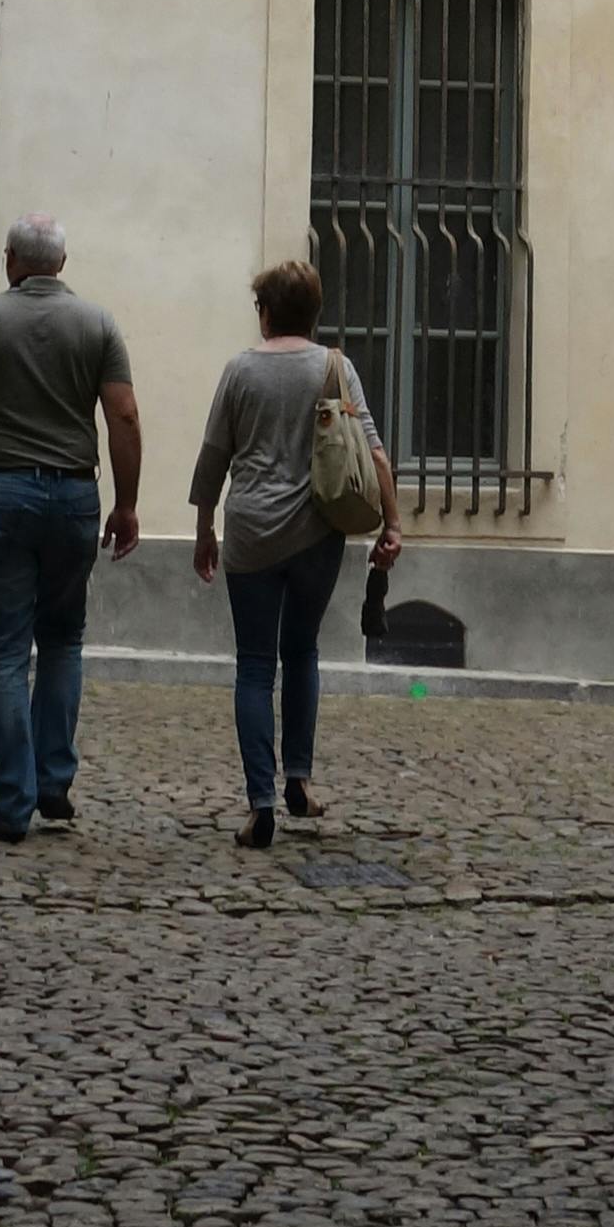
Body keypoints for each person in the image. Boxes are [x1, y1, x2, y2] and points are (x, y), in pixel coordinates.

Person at [0, 214, 141, 843]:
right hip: (74, 493)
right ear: (63, 263)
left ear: (12, 258)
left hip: (2, 490)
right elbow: (123, 415)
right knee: (64, 640)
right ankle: (54, 781)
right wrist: (126, 504)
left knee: (5, 653)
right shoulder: (99, 325)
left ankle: (12, 803)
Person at [189, 258, 400, 851]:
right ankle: (299, 781)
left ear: (264, 312)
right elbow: (374, 452)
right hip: (316, 533)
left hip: (253, 532)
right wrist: (393, 524)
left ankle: (260, 804)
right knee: (301, 650)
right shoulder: (337, 367)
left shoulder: (240, 371)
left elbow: (213, 458)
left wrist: (204, 528)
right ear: (314, 314)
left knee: (255, 666)